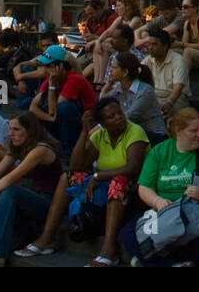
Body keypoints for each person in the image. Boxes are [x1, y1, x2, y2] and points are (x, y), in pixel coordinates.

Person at [121, 108, 199, 266]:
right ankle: (172, 263)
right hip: (167, 216)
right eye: (194, 130)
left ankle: (153, 260)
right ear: (178, 131)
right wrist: (157, 201)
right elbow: (144, 187)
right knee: (128, 234)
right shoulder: (160, 151)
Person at [52, 97, 150, 266]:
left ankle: (109, 250)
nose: (118, 117)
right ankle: (47, 237)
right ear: (103, 123)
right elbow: (77, 167)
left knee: (118, 182)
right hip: (106, 186)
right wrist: (84, 132)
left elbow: (133, 168)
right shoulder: (100, 135)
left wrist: (98, 177)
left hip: (135, 188)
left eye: (119, 112)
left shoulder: (135, 131)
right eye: (111, 116)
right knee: (67, 178)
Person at [0, 112, 65, 266]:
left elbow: (9, 178)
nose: (11, 133)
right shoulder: (18, 147)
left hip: (47, 203)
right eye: (10, 128)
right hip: (31, 197)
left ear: (30, 130)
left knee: (10, 191)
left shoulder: (41, 150)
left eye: (16, 129)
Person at [28, 44, 94, 151]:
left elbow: (55, 110)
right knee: (30, 114)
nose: (44, 70)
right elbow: (33, 108)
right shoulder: (50, 79)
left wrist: (52, 86)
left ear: (61, 66)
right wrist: (50, 118)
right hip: (60, 121)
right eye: (44, 66)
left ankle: (68, 149)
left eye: (49, 66)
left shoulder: (74, 79)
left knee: (64, 107)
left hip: (84, 124)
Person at [111, 52, 166, 141]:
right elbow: (105, 106)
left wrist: (101, 126)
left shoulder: (145, 91)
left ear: (125, 72)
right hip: (134, 132)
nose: (110, 70)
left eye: (114, 67)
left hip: (154, 135)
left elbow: (129, 116)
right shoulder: (118, 88)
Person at [142, 29, 190, 116]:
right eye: (149, 44)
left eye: (154, 44)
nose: (150, 47)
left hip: (176, 100)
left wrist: (169, 103)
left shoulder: (178, 60)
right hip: (154, 97)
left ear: (165, 46)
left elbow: (178, 88)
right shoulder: (147, 60)